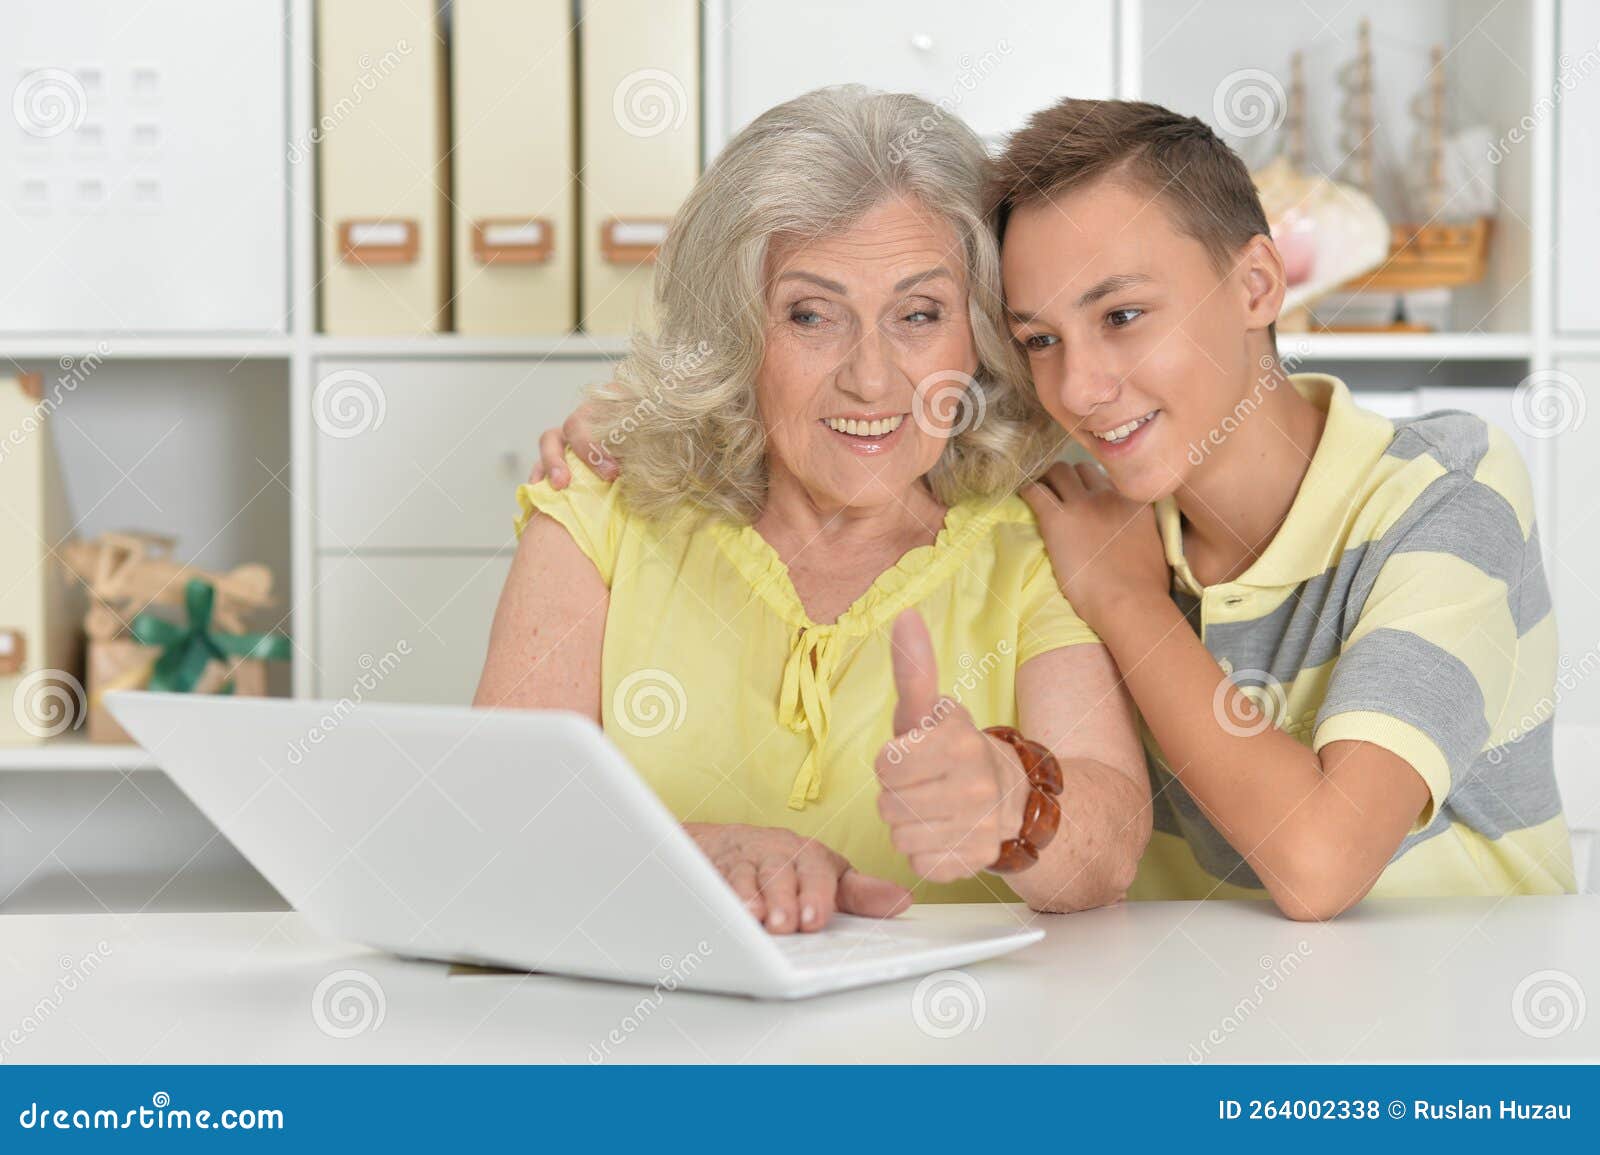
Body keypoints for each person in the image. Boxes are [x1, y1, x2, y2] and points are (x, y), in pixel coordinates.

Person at [539, 96, 1575, 921]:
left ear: (1259, 281)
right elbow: (860, 380)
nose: (1079, 388)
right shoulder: (1083, 492)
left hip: (1454, 1023)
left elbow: (1311, 862)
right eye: (1038, 339)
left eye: (1123, 315)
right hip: (1184, 1036)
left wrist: (1122, 606)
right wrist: (656, 409)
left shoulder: (1443, 497)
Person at [476, 86, 1149, 936]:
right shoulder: (600, 507)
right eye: (810, 315)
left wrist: (1010, 799)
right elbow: (496, 830)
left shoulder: (1039, 540)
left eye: (918, 314)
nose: (871, 379)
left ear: (976, 334)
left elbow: (1112, 847)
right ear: (736, 332)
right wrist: (692, 855)